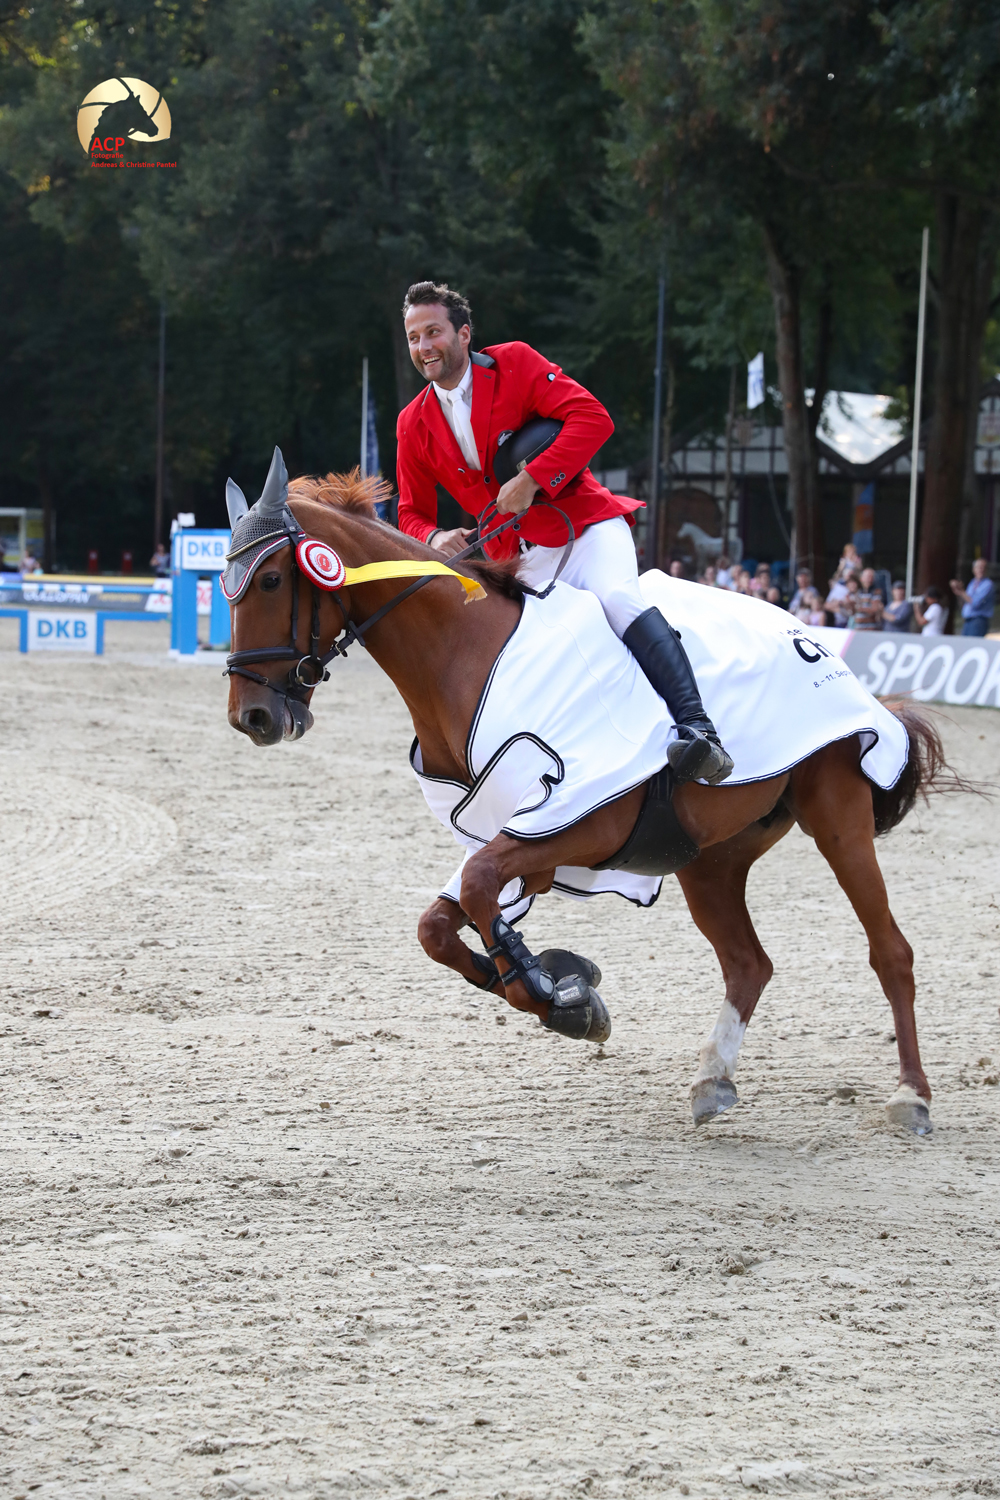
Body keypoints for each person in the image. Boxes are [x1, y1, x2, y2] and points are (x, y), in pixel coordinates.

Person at [395, 281, 733, 783]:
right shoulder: (411, 422)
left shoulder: (514, 362)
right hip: (515, 558)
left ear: (463, 334)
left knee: (618, 600)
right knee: (518, 656)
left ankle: (700, 730)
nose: (424, 346)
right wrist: (433, 536)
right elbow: (410, 512)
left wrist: (532, 479)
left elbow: (593, 419)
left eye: (433, 332)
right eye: (414, 337)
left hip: (583, 525)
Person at [950, 558, 995, 638]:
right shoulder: (972, 583)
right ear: (974, 569)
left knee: (973, 643)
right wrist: (959, 592)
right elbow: (967, 601)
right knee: (964, 644)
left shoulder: (988, 584)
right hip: (968, 620)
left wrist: (962, 592)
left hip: (978, 620)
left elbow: (975, 603)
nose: (981, 570)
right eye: (979, 567)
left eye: (983, 567)